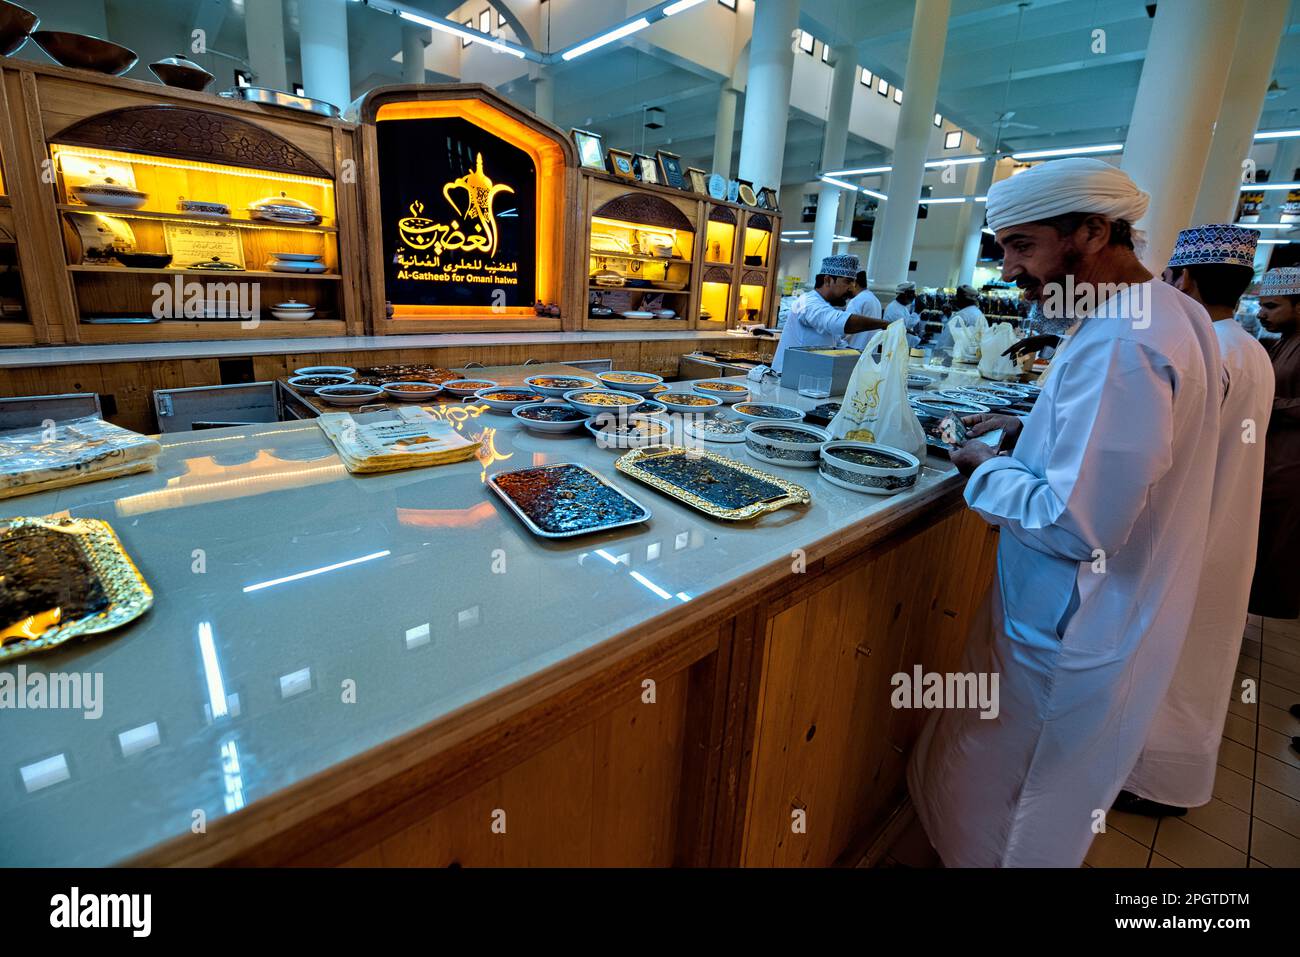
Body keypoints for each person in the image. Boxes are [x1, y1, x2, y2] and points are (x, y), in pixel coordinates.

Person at [906, 157, 1220, 867]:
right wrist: (1031, 432)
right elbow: (1125, 453)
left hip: (1071, 627)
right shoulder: (1167, 313)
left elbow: (1074, 522)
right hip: (1105, 614)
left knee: (1008, 803)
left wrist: (984, 467)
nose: (1010, 270)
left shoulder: (1123, 342)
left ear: (1091, 232)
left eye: (1023, 246)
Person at [1117, 225, 1273, 818]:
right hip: (1223, 525)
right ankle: (1171, 776)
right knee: (1196, 659)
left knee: (1167, 660)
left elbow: (1162, 449)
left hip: (1192, 530)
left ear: (1184, 279)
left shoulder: (1212, 349)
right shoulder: (1245, 345)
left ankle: (1153, 783)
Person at [1248, 266, 1300, 620]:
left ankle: (1272, 609)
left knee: (1280, 543)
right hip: (1271, 458)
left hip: (1291, 464)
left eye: (1272, 306)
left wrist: (1263, 402)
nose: (1262, 314)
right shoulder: (1283, 341)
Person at [771, 254, 890, 373]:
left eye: (853, 283)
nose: (851, 288)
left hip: (809, 380)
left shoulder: (826, 307)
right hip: (787, 379)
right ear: (827, 280)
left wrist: (863, 357)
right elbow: (837, 322)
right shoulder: (807, 303)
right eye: (848, 281)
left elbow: (837, 343)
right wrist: (884, 324)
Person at [841, 270, 883, 351]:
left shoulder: (857, 300)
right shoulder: (874, 299)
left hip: (856, 350)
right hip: (871, 351)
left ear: (854, 283)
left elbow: (846, 327)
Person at [935, 284, 984, 349]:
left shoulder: (961, 316)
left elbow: (946, 342)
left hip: (955, 356)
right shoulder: (977, 312)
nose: (955, 299)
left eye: (957, 296)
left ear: (962, 298)